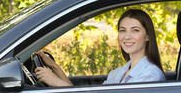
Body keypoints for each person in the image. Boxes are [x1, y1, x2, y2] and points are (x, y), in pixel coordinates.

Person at [34, 8, 166, 86]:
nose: (127, 36)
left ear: (148, 36)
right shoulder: (119, 73)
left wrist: (55, 81)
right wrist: (54, 68)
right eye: (122, 30)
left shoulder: (151, 76)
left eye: (135, 30)